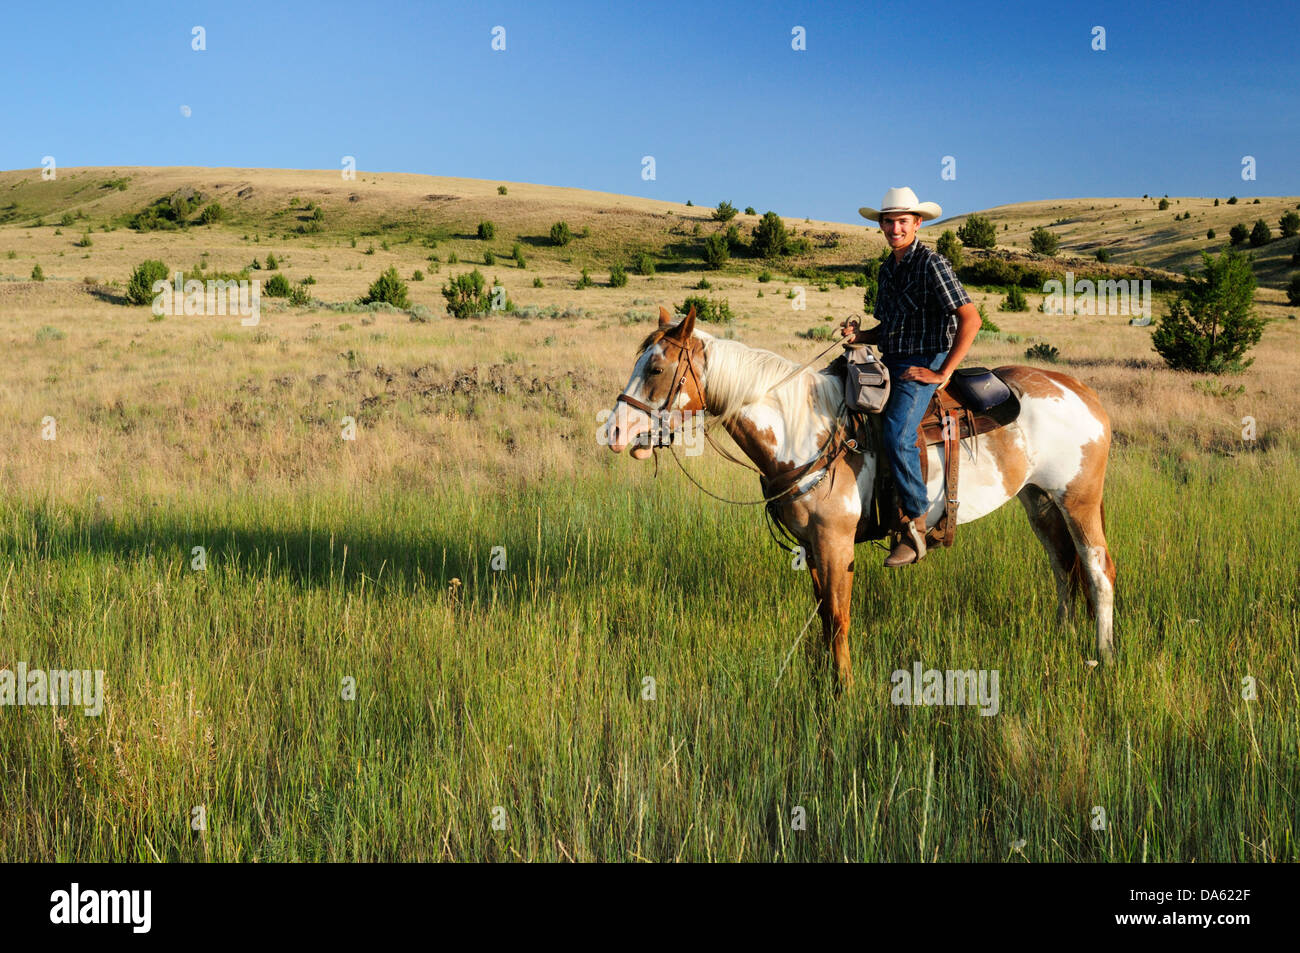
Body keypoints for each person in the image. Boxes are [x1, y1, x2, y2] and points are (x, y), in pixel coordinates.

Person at [841, 187, 981, 567]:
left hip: (925, 359)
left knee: (898, 433)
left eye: (902, 220)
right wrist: (861, 337)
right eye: (888, 221)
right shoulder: (888, 269)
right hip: (894, 356)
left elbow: (971, 318)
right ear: (881, 226)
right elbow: (889, 327)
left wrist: (942, 372)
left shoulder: (932, 264)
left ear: (917, 223)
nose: (894, 227)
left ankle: (915, 524)